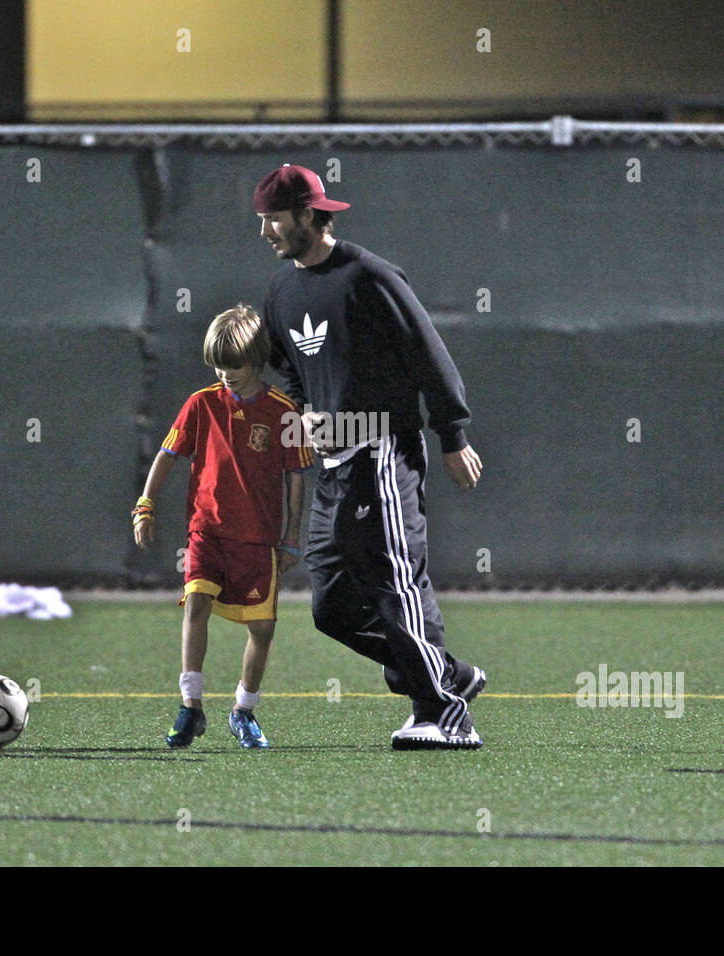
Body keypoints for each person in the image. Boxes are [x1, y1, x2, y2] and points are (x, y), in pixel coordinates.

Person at [253, 163, 487, 750]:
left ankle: (443, 709)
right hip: (332, 464)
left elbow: (428, 354)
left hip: (382, 447)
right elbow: (287, 366)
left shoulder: (368, 277)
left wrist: (452, 435)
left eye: (274, 219)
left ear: (309, 215)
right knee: (331, 607)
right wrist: (303, 408)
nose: (266, 232)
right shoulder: (282, 289)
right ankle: (444, 672)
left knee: (395, 580)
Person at [133, 304, 310, 749]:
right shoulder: (201, 403)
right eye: (218, 364)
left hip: (258, 540)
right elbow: (168, 455)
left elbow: (295, 476)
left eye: (235, 366)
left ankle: (243, 710)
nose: (225, 373)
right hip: (206, 532)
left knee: (263, 629)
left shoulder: (283, 411)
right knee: (196, 604)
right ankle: (190, 708)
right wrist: (145, 504)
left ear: (257, 361)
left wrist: (291, 537)